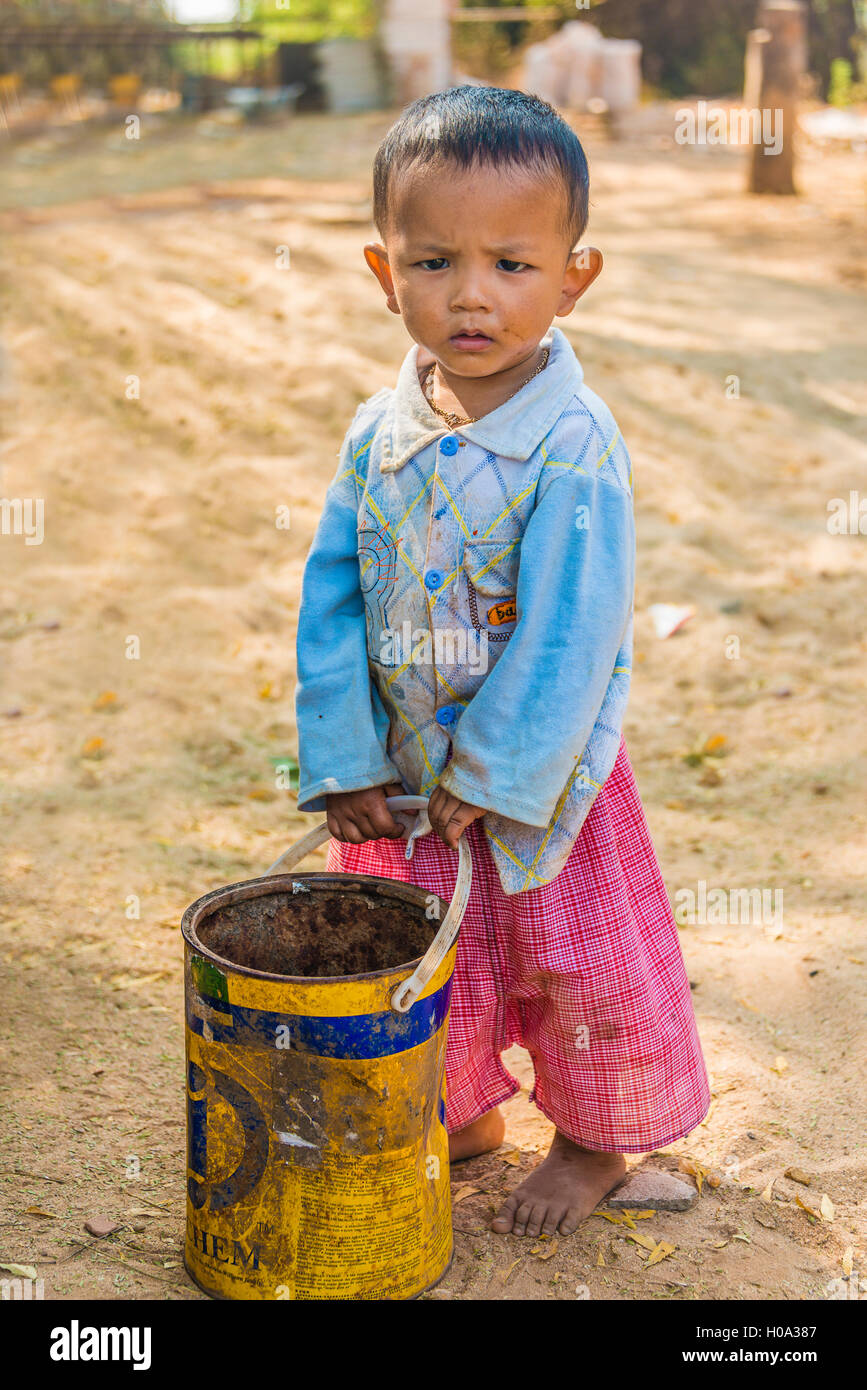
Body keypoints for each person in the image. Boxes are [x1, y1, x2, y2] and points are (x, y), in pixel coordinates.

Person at [294, 85, 710, 1240]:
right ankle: (466, 1112)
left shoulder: (572, 445)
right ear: (385, 275)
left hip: (538, 789)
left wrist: (497, 768)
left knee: (576, 969)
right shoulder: (379, 436)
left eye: (513, 265)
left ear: (574, 276)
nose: (472, 293)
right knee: (429, 962)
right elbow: (329, 595)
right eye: (435, 261)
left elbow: (575, 632)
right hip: (404, 781)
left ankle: (593, 1143)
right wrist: (340, 753)